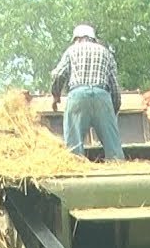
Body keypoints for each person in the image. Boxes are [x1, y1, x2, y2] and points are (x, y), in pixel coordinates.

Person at [50, 24, 125, 161]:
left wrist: (56, 95)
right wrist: (113, 109)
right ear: (93, 38)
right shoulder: (106, 53)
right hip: (102, 94)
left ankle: (76, 165)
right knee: (113, 145)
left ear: (77, 38)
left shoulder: (71, 50)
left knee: (73, 145)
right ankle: (117, 164)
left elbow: (58, 75)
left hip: (78, 95)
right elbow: (114, 85)